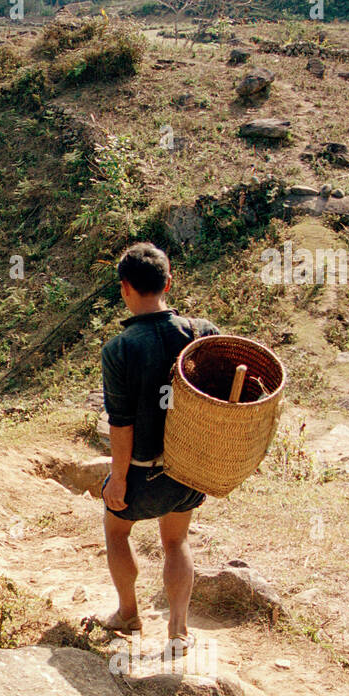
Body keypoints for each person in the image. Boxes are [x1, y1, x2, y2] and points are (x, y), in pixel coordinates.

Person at [93, 243, 219, 658]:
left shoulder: (119, 349)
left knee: (116, 530)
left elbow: (121, 421)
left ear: (125, 288)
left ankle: (128, 613)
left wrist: (119, 478)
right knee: (176, 541)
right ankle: (179, 630)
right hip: (186, 469)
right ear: (168, 282)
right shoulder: (201, 332)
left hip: (142, 472)